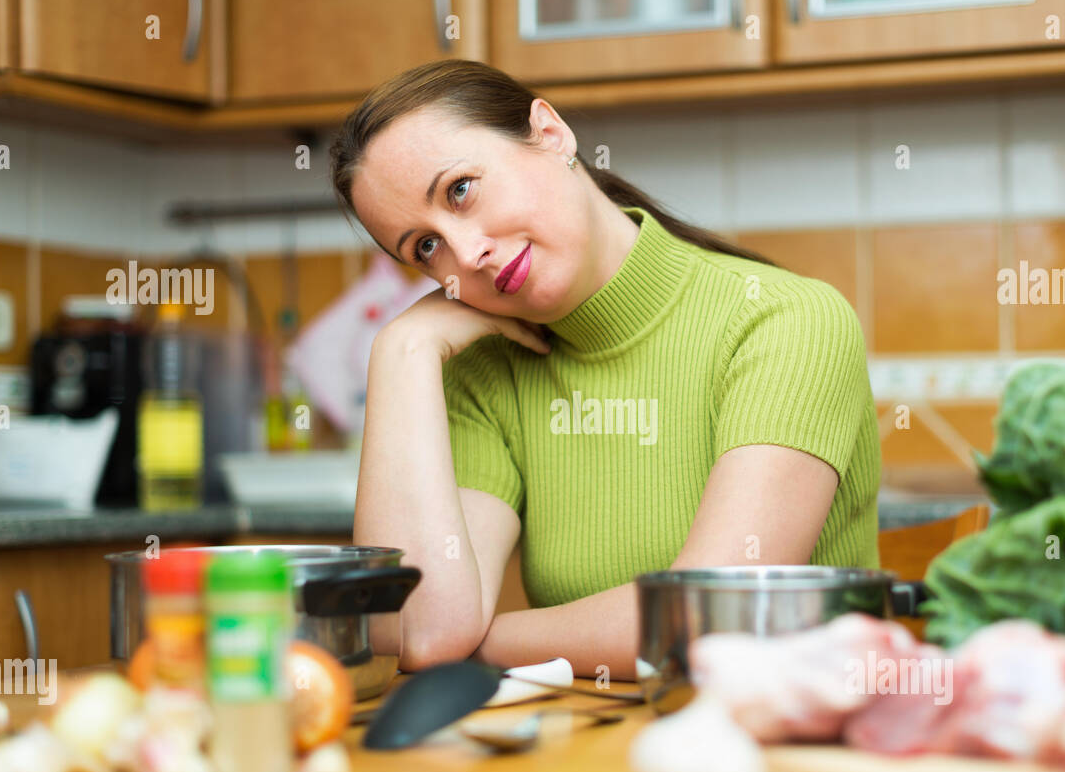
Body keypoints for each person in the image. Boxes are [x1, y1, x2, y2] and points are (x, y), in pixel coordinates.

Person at [330, 59, 880, 680]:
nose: (468, 253)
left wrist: (479, 644)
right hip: (577, 761)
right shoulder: (480, 376)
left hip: (781, 756)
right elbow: (420, 628)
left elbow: (708, 622)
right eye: (425, 247)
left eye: (460, 189)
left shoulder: (784, 322)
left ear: (550, 133)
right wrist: (402, 349)